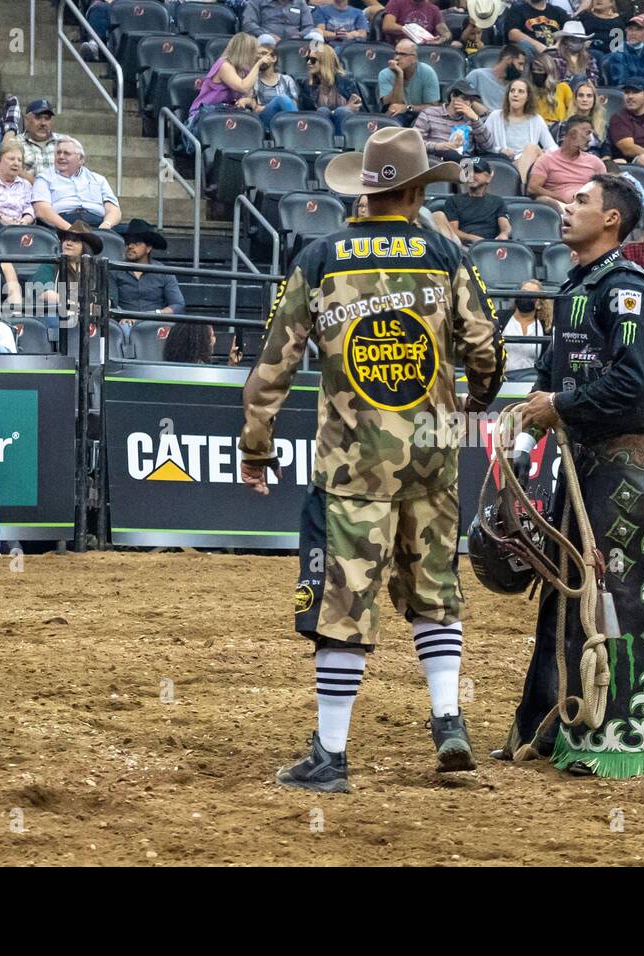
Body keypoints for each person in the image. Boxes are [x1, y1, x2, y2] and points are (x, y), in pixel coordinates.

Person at [243, 126, 504, 792]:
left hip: (351, 464)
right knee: (436, 591)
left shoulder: (321, 257)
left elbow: (275, 363)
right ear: (417, 192)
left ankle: (331, 755)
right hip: (431, 454)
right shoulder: (446, 255)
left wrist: (257, 443)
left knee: (345, 602)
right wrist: (475, 397)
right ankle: (448, 718)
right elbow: (485, 346)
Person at [497, 172, 644, 779]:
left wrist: (559, 410)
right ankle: (548, 725)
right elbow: (551, 373)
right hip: (583, 459)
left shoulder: (625, 289)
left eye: (580, 201)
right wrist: (527, 433)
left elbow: (632, 379)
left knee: (614, 591)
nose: (566, 208)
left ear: (611, 221)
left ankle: (614, 738)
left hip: (618, 462)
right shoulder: (577, 287)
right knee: (568, 588)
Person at [32, 138, 121, 231]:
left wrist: (106, 225)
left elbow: (114, 209)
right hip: (63, 224)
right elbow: (42, 210)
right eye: (58, 153)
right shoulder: (44, 178)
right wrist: (71, 230)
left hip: (97, 224)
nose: (61, 156)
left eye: (66, 153)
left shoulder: (98, 179)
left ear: (81, 159)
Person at [29, 221, 101, 329]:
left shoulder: (97, 270)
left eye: (75, 240)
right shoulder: (51, 264)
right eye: (66, 239)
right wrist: (72, 304)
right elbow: (43, 293)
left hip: (89, 316)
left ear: (85, 246)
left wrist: (92, 309)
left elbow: (107, 300)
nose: (68, 243)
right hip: (58, 313)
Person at [108, 218, 184, 316]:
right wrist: (124, 315)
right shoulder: (115, 269)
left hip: (155, 322)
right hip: (124, 323)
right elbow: (111, 302)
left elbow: (178, 304)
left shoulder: (163, 272)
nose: (130, 246)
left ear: (148, 248)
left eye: (136, 243)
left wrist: (156, 314)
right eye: (128, 242)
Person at [186, 32, 260, 129]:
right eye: (254, 52)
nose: (257, 56)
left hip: (226, 117)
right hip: (203, 117)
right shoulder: (224, 65)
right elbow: (243, 87)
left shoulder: (245, 70)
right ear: (245, 52)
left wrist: (247, 100)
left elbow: (250, 97)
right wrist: (258, 65)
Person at [487, 78, 558, 177]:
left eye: (520, 92)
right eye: (512, 91)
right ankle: (522, 187)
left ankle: (522, 184)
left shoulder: (536, 119)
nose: (515, 94)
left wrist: (544, 153)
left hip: (531, 162)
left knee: (532, 149)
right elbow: (484, 145)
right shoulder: (495, 116)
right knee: (532, 149)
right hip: (505, 162)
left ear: (528, 97)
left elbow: (552, 147)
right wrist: (500, 150)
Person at [415, 81, 494, 162]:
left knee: (499, 158)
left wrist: (476, 120)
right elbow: (414, 143)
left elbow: (488, 147)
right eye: (464, 98)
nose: (468, 103)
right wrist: (438, 146)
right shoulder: (429, 113)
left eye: (471, 101)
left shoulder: (472, 121)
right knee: (451, 155)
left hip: (466, 164)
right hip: (437, 162)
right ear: (453, 96)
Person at [446, 156, 510, 244]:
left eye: (476, 171)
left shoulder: (498, 201)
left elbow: (505, 225)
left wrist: (504, 234)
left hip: (491, 246)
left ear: (488, 177)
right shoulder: (453, 200)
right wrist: (474, 239)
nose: (471, 175)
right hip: (464, 246)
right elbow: (453, 231)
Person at [379, 39, 441, 123]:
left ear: (414, 58)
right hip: (396, 116)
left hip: (422, 115)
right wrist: (399, 75)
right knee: (394, 119)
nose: (397, 58)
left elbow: (433, 108)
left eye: (403, 54)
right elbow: (394, 105)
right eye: (396, 53)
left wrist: (407, 108)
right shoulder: (385, 74)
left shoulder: (428, 72)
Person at [246, 42, 300, 127]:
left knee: (282, 100)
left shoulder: (287, 79)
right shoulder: (253, 80)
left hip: (285, 119)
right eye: (257, 55)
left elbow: (293, 105)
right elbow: (256, 109)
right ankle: (300, 130)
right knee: (281, 99)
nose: (259, 57)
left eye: (263, 53)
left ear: (274, 58)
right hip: (264, 120)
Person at [501, 278, 547, 373]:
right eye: (524, 292)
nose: (526, 296)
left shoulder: (546, 327)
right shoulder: (500, 318)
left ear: (539, 303)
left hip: (532, 380)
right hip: (502, 379)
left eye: (532, 294)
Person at [12, 99, 62, 183]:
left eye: (47, 118)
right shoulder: (15, 144)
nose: (43, 123)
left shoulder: (64, 142)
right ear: (27, 120)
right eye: (38, 117)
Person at [466, 43, 526, 112]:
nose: (522, 69)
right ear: (508, 59)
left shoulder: (515, 86)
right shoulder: (478, 75)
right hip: (480, 120)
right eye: (520, 64)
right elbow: (461, 97)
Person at [548, 21, 601, 87]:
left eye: (581, 40)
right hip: (562, 93)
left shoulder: (589, 58)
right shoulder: (555, 57)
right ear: (565, 40)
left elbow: (594, 78)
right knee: (581, 78)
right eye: (574, 39)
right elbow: (557, 83)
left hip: (584, 93)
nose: (578, 43)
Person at [241, 0, 316, 44]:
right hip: (268, 39)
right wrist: (268, 34)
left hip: (296, 41)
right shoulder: (257, 2)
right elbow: (248, 24)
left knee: (316, 37)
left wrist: (300, 35)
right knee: (266, 39)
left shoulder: (300, 3)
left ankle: (314, 68)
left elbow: (309, 26)